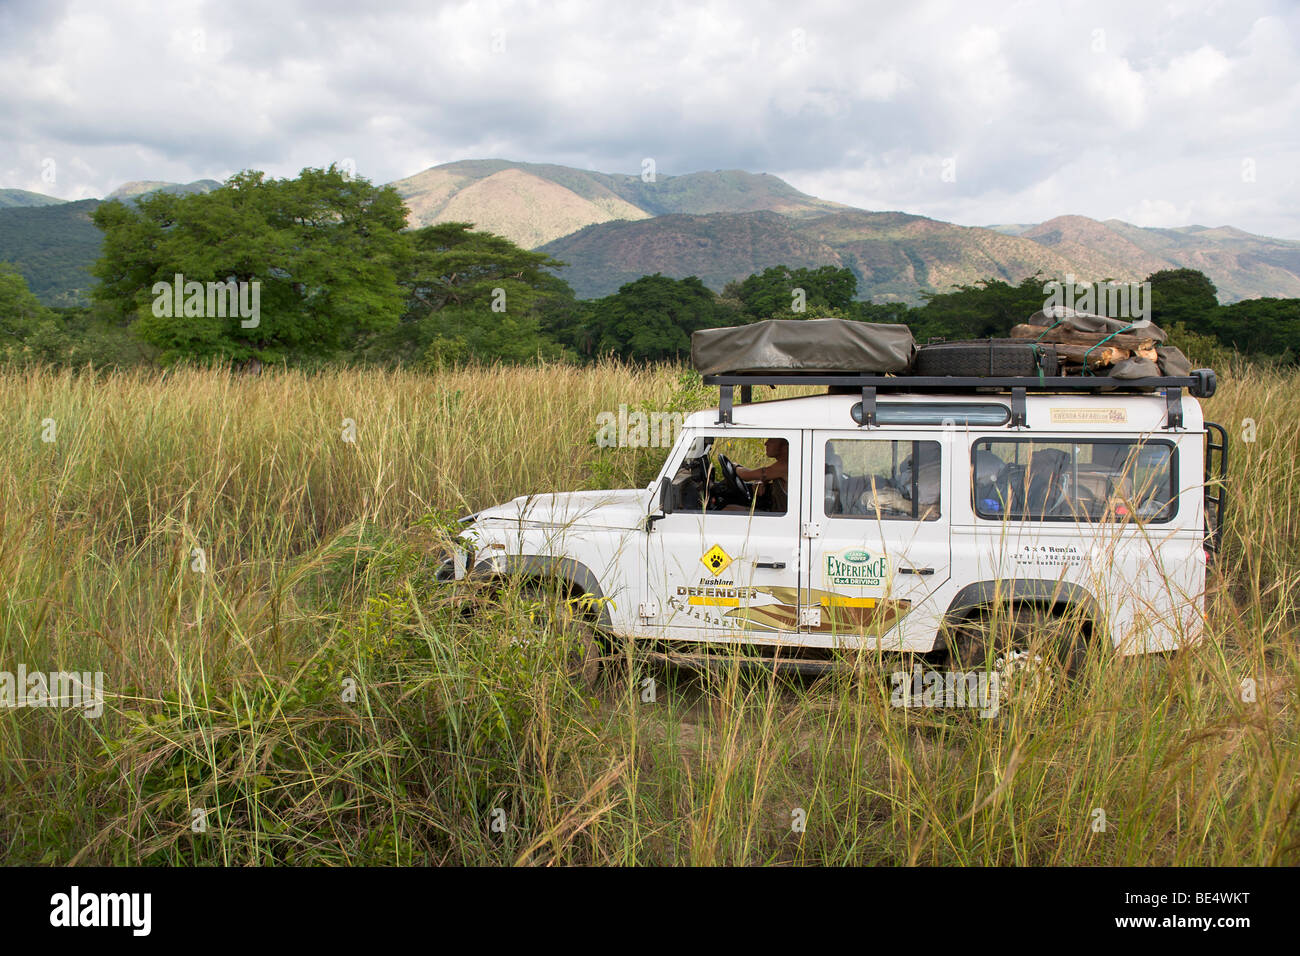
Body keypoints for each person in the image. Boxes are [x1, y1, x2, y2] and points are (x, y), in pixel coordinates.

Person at [733, 438, 789, 512]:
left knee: (728, 509)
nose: (766, 443)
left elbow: (745, 475)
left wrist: (734, 466)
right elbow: (765, 475)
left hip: (781, 518)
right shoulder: (785, 464)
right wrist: (762, 481)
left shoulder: (784, 465)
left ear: (785, 446)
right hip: (778, 514)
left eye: (771, 440)